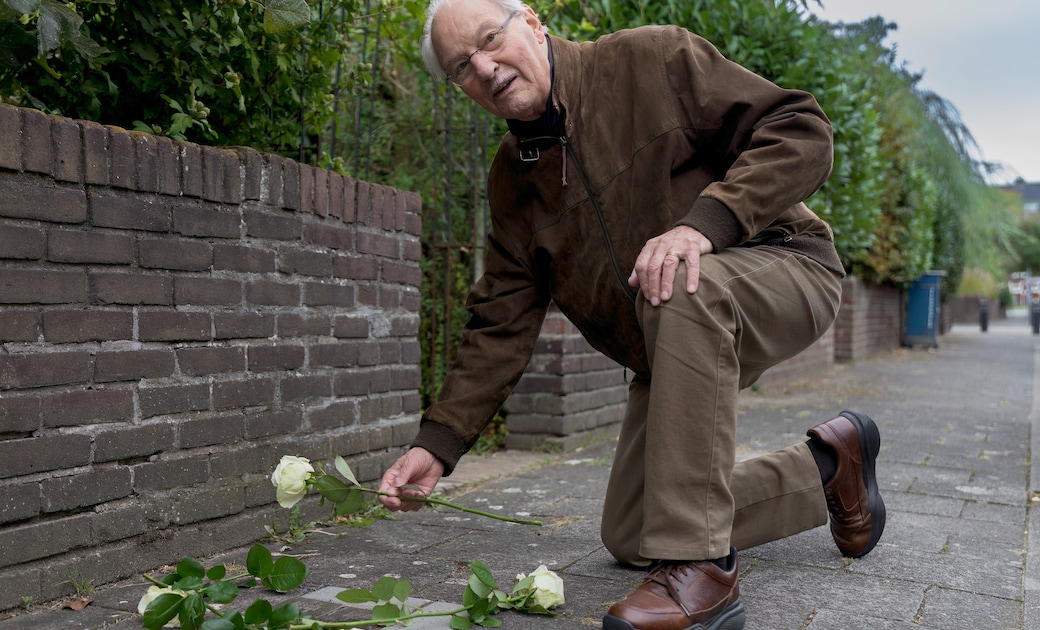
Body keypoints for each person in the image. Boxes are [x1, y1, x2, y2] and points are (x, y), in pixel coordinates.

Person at [377, 1, 887, 628]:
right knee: (632, 531)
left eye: (490, 38)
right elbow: (501, 321)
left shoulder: (649, 60)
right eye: (462, 66)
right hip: (671, 334)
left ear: (532, 23)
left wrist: (705, 225)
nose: (485, 66)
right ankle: (832, 469)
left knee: (682, 288)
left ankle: (703, 573)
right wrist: (440, 443)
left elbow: (800, 128)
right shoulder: (513, 182)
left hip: (781, 265)